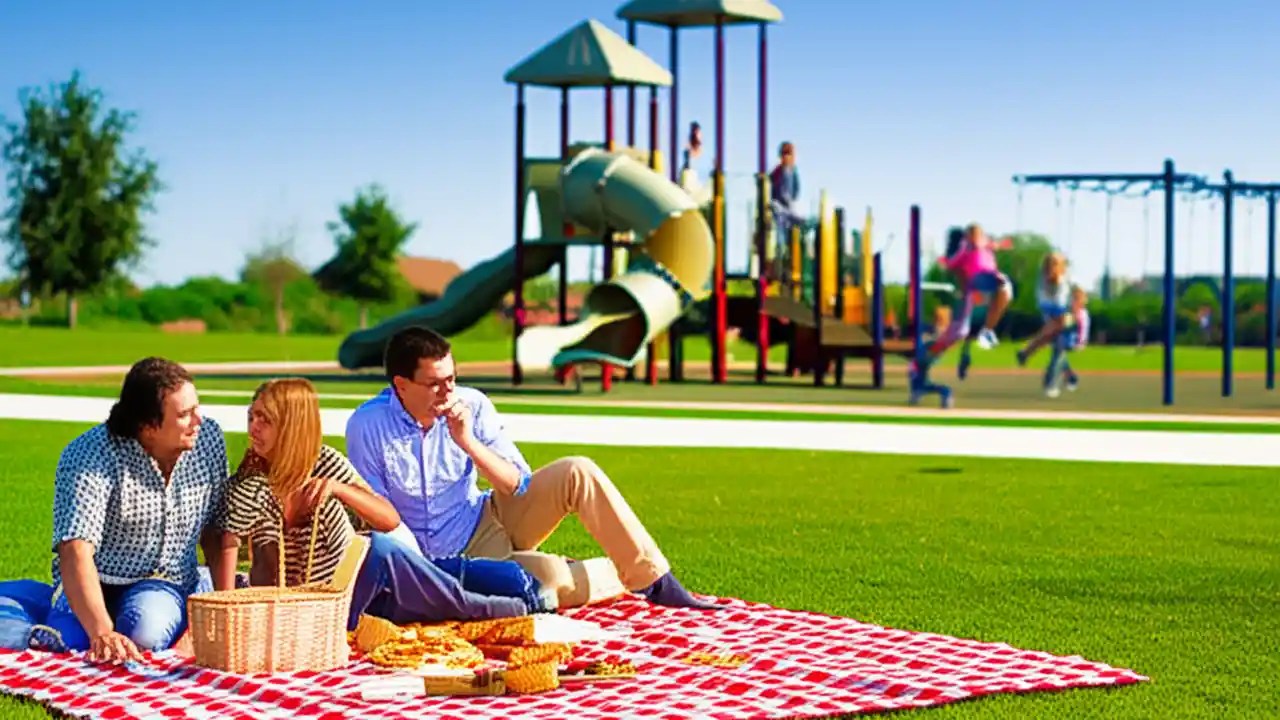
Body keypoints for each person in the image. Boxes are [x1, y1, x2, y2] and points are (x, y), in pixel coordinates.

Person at [345, 326, 722, 611]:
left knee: (578, 470)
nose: (448, 392)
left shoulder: (472, 405)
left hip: (488, 518)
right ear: (400, 386)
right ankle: (608, 572)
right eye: (434, 384)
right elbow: (380, 517)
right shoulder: (368, 425)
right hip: (436, 560)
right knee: (553, 585)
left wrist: (468, 442)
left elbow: (517, 485)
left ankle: (655, 581)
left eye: (452, 380)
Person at [217, 378, 544, 630]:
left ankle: (531, 593)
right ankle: (493, 609)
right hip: (331, 605)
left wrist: (338, 490)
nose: (253, 428)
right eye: (251, 417)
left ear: (292, 425)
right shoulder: (250, 485)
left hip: (367, 584)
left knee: (482, 576)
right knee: (388, 553)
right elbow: (234, 551)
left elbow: (388, 517)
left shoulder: (323, 462)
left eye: (265, 419)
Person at [1, 357, 236, 662]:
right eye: (184, 415)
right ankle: (37, 606)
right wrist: (101, 632)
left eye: (197, 409)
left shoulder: (208, 441)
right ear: (148, 427)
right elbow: (76, 550)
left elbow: (216, 532)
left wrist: (223, 606)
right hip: (94, 577)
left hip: (164, 581)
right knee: (66, 641)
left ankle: (35, 607)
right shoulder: (89, 455)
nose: (198, 421)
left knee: (145, 633)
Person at [1016, 252, 1073, 367]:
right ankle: (1027, 352)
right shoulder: (1047, 276)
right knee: (1054, 337)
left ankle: (1026, 352)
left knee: (1051, 337)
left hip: (1061, 308)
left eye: (1056, 263)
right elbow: (1052, 281)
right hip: (1052, 307)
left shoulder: (1064, 276)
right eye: (1051, 263)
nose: (1053, 266)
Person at [1043, 286, 1090, 397]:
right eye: (1073, 299)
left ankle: (1051, 384)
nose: (1074, 301)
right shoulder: (1067, 312)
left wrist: (1081, 342)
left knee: (1056, 359)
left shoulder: (1082, 314)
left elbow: (1083, 329)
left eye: (1077, 299)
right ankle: (1071, 378)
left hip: (1071, 340)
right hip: (1061, 339)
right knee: (1059, 358)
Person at [769, 141, 803, 255]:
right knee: (780, 228)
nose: (789, 157)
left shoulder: (793, 171)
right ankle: (781, 253)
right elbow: (778, 194)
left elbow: (796, 191)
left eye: (790, 154)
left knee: (799, 225)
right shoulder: (778, 173)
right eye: (786, 154)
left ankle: (792, 253)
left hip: (788, 210)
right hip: (779, 208)